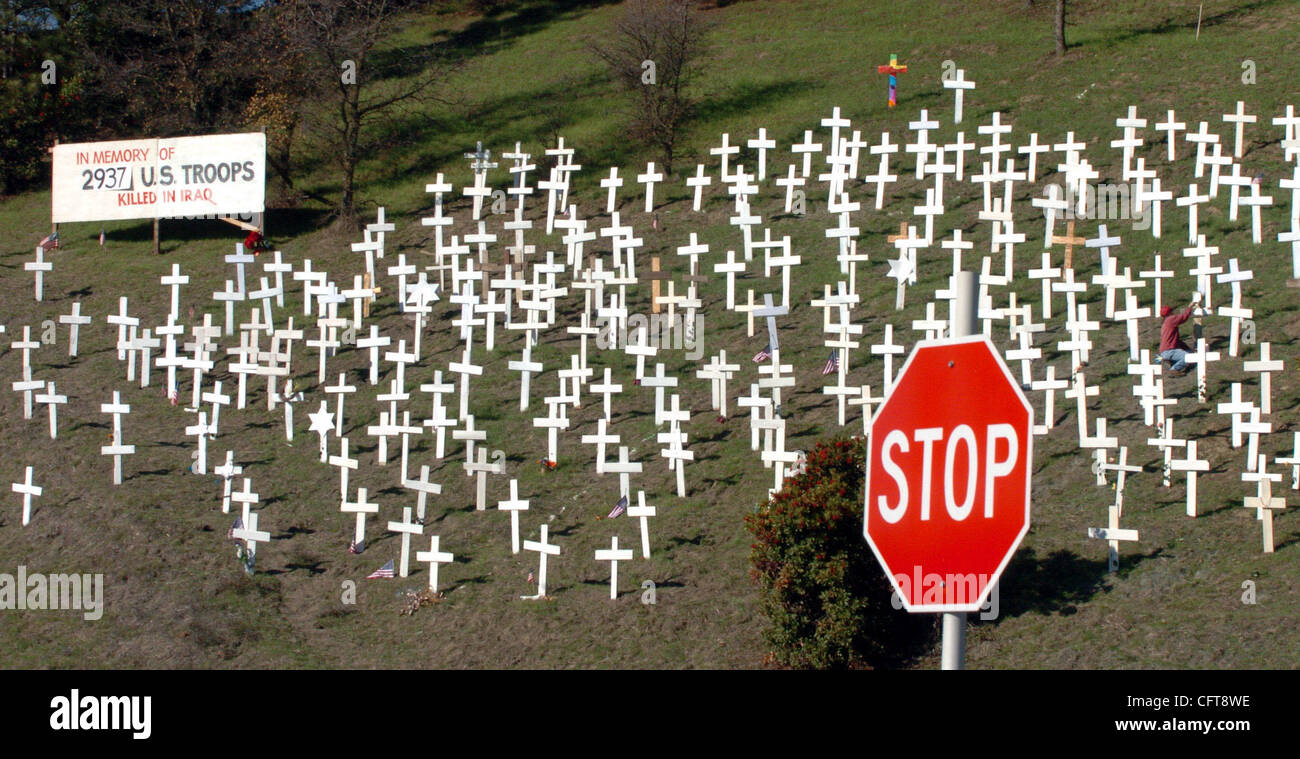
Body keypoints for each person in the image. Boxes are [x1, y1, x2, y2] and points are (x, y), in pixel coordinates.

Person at [1159, 298, 1198, 376]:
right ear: (1169, 313)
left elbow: (1175, 340)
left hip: (1165, 351)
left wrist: (1188, 348)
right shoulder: (1170, 320)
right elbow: (1183, 317)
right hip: (1169, 351)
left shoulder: (1165, 323)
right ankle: (1174, 369)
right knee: (1189, 357)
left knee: (1190, 353)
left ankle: (1172, 363)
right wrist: (1190, 307)